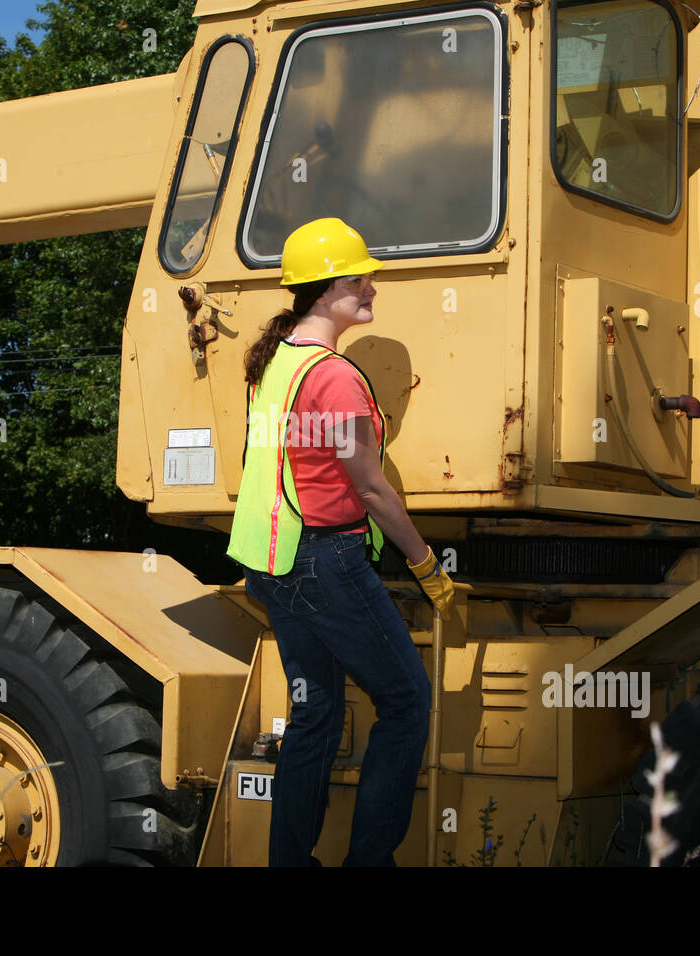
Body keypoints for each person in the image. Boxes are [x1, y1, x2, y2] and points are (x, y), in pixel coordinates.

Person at [227, 217, 456, 866]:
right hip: (324, 561)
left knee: (316, 715)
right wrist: (427, 566)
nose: (373, 292)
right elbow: (374, 490)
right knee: (407, 702)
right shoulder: (336, 377)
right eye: (361, 281)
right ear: (327, 290)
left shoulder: (277, 364)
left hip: (272, 564)